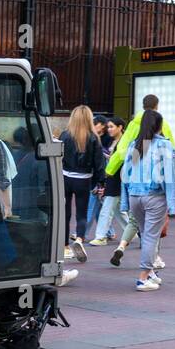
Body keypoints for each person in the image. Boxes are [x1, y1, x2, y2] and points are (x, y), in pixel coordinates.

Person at [122, 109, 175, 292]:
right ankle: (143, 277)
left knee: (146, 233)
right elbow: (169, 176)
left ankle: (151, 272)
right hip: (154, 196)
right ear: (159, 126)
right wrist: (173, 203)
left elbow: (126, 175)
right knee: (151, 237)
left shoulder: (134, 145)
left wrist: (125, 200)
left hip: (134, 196)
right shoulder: (164, 145)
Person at [59, 105, 103, 262]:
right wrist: (100, 182)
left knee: (64, 212)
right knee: (82, 213)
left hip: (64, 177)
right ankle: (79, 239)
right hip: (84, 179)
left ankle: (64, 247)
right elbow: (99, 163)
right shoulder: (93, 137)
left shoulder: (65, 135)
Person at [90, 116, 125, 244]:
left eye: (111, 127)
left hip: (117, 179)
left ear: (120, 127)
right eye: (108, 127)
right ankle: (133, 231)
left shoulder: (125, 142)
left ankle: (101, 236)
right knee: (118, 211)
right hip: (111, 178)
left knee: (107, 208)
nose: (109, 129)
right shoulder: (111, 141)